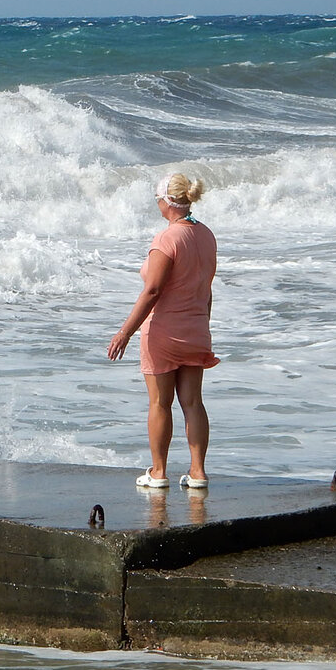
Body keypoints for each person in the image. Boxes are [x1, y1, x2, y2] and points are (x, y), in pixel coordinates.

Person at [107, 173, 218, 489]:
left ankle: (158, 472)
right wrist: (202, 324)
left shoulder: (167, 240)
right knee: (193, 402)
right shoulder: (206, 236)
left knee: (159, 403)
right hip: (197, 328)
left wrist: (124, 333)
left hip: (164, 333)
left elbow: (153, 290)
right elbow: (206, 288)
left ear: (166, 202)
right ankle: (198, 473)